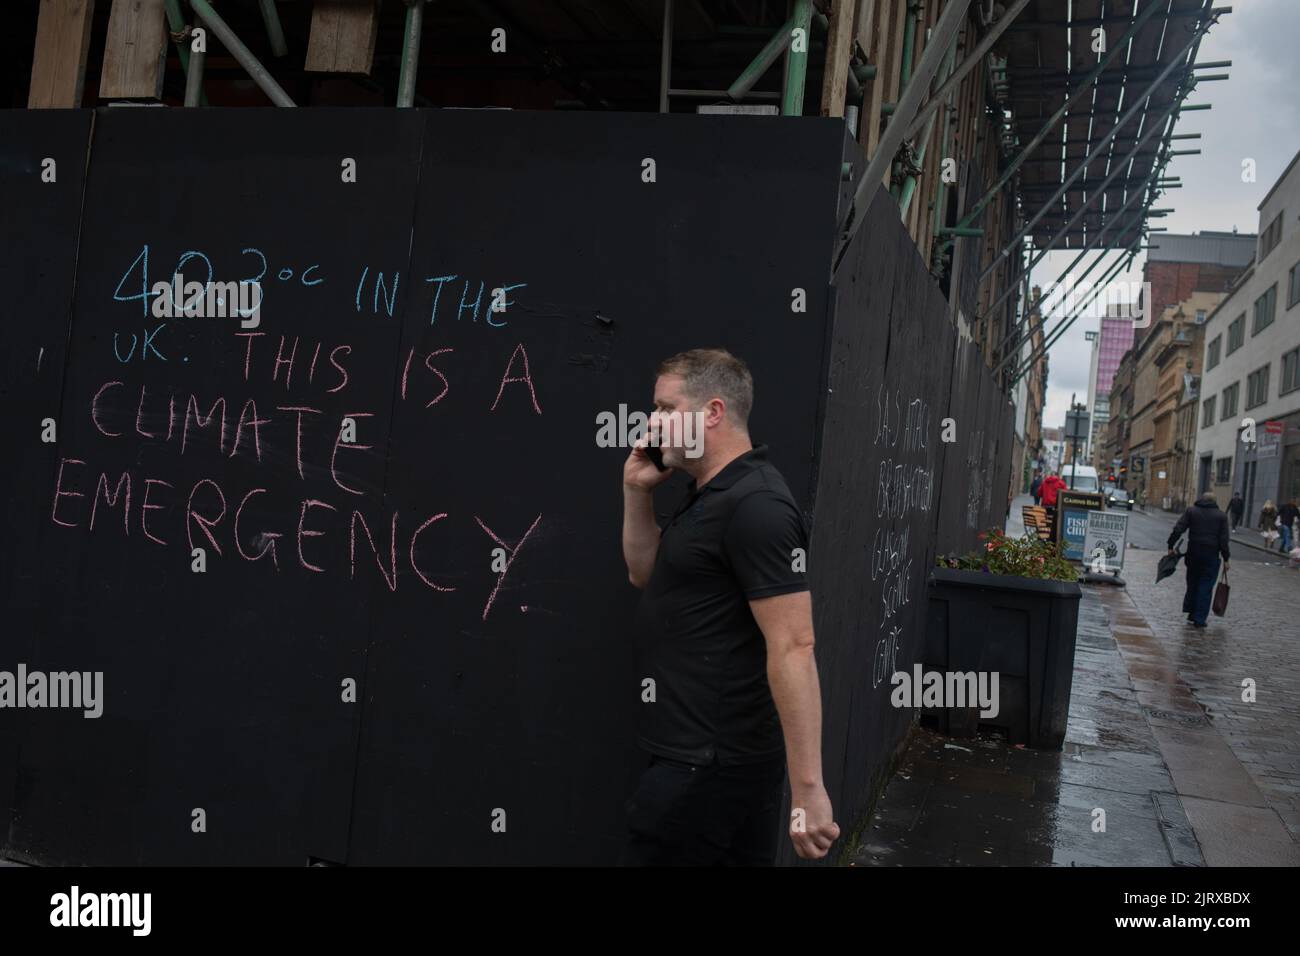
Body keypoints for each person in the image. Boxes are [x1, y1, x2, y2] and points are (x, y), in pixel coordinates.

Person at [620, 348, 839, 865]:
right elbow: (642, 573)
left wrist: (809, 791)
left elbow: (795, 646)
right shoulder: (709, 493)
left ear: (712, 412)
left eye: (665, 409)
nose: (652, 423)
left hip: (710, 768)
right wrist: (635, 490)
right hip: (693, 760)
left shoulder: (756, 504)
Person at [1167, 493, 1230, 628]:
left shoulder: (1191, 511)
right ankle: (1199, 618)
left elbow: (1179, 529)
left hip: (1193, 553)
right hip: (1211, 555)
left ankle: (1191, 612)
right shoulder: (1221, 516)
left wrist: (1170, 545)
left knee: (1193, 582)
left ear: (1201, 499)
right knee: (1205, 586)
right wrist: (1226, 558)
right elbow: (1224, 540)